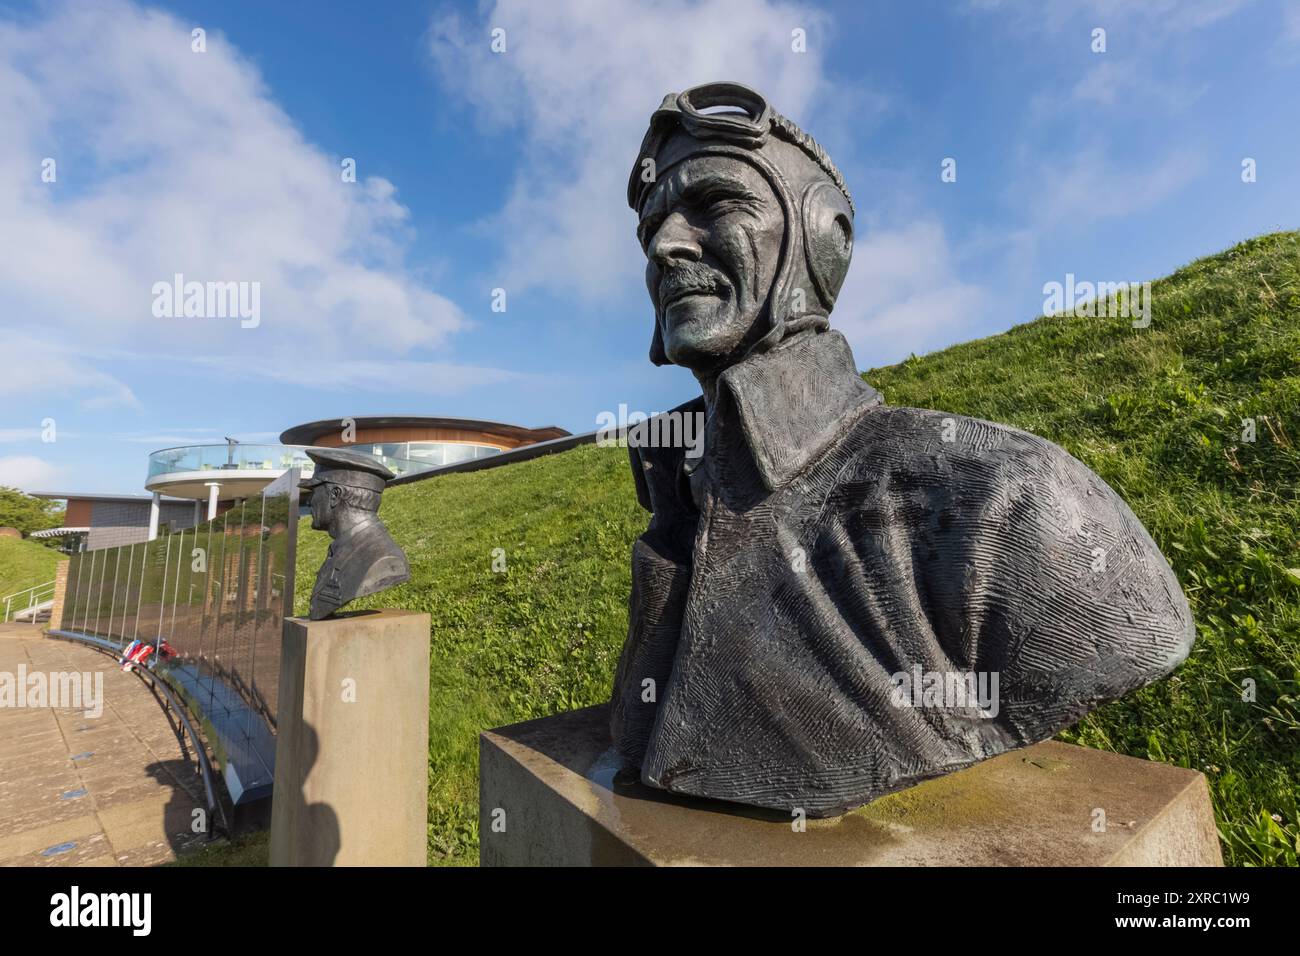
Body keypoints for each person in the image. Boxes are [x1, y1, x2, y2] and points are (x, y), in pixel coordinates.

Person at [609, 82, 1195, 816]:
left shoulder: (1010, 496)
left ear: (821, 240)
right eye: (653, 227)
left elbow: (1131, 639)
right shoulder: (681, 493)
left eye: (716, 205)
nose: (666, 246)